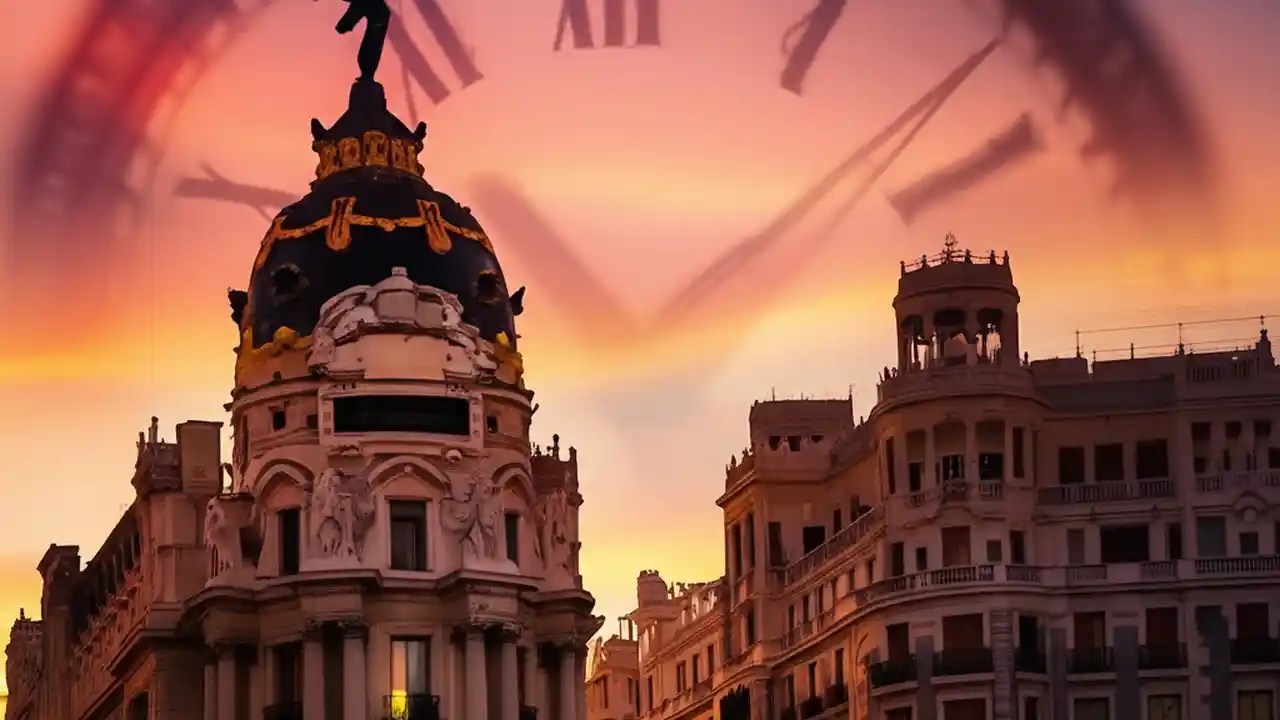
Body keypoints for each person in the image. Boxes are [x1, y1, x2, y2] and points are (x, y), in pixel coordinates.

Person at [332, 0, 392, 81]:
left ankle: (367, 74)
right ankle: (367, 73)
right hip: (376, 16)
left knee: (372, 41)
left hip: (377, 16)